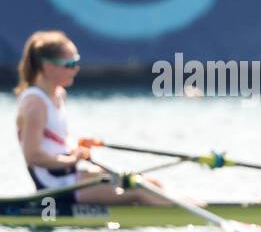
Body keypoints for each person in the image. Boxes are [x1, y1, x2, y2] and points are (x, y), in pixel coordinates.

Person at [13, 30, 168, 205]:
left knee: (149, 183)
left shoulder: (58, 94)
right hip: (56, 186)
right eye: (70, 63)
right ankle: (187, 214)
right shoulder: (35, 104)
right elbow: (33, 156)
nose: (76, 69)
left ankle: (189, 207)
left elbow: (57, 141)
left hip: (71, 175)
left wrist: (77, 145)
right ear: (49, 67)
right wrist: (73, 159)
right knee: (140, 190)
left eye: (76, 61)